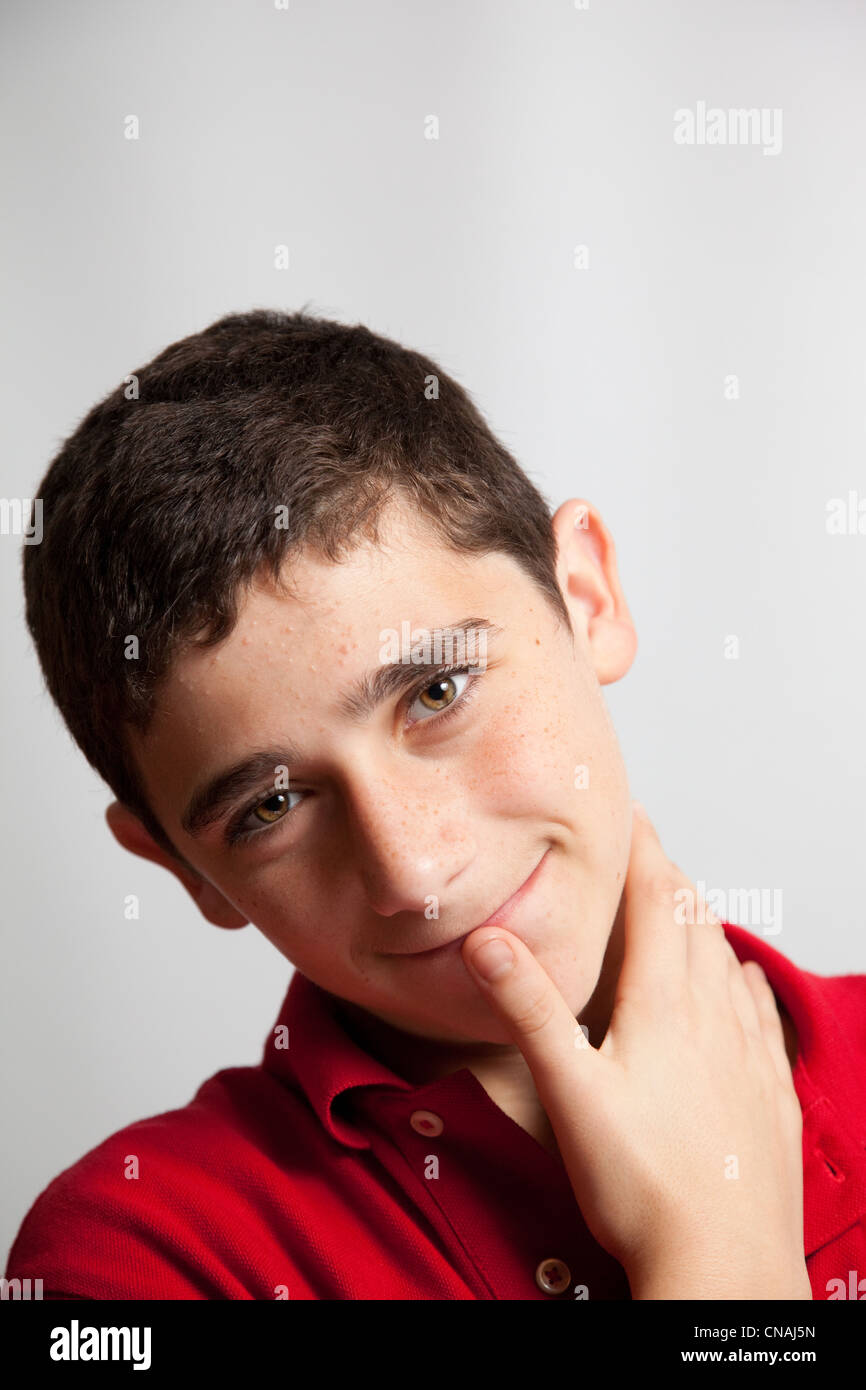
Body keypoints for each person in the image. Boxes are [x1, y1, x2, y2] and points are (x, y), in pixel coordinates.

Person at [6, 310, 866, 1300]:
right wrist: (717, 1257)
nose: (413, 872)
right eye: (273, 804)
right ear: (181, 867)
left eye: (434, 693)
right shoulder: (138, 1259)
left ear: (584, 597)